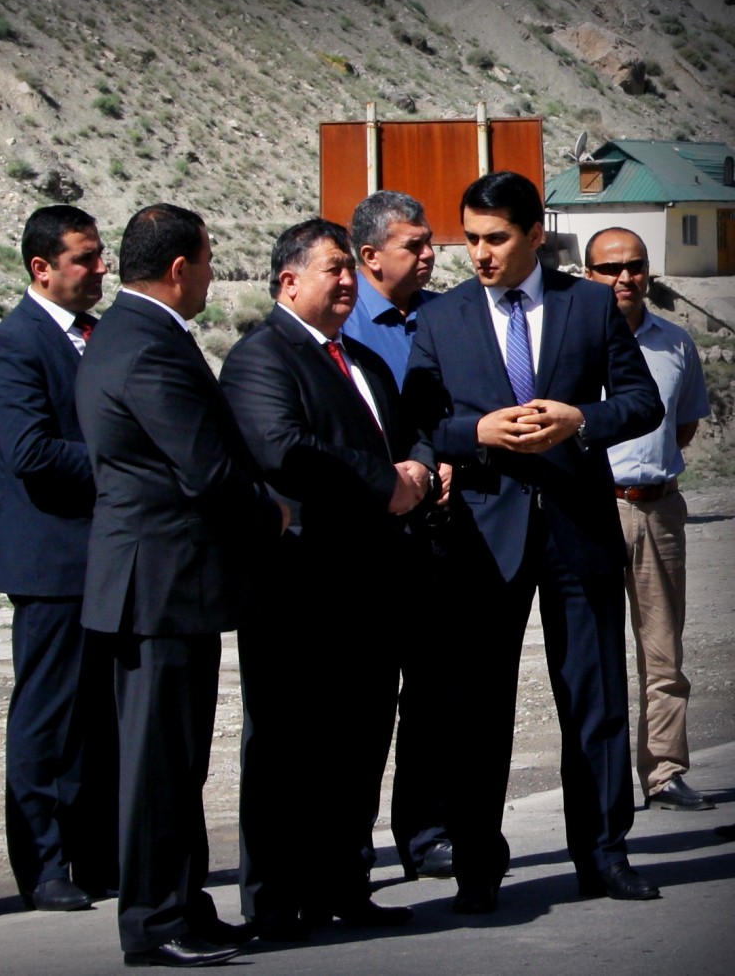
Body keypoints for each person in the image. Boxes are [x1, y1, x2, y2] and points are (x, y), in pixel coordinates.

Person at [403, 171, 665, 913]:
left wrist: (581, 421)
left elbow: (642, 402)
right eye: (471, 239)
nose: (480, 254)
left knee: (594, 698)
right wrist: (476, 434)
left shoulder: (589, 305)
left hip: (577, 528)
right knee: (478, 707)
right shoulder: (443, 317)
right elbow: (419, 423)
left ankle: (604, 855)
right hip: (484, 537)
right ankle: (477, 866)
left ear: (535, 234)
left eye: (496, 238)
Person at [75, 203, 287, 968]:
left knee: (178, 761)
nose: (209, 275)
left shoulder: (133, 333)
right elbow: (205, 468)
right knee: (158, 766)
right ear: (177, 269)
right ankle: (154, 920)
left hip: (167, 584)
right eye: (205, 261)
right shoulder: (147, 346)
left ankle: (184, 905)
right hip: (157, 586)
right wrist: (273, 513)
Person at [219, 218, 433, 939]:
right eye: (333, 269)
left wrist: (421, 469)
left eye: (350, 269)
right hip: (300, 588)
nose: (348, 282)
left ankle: (344, 884)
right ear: (288, 281)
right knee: (288, 746)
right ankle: (275, 901)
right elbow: (284, 449)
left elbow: (406, 434)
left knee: (359, 739)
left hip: (373, 584)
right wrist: (383, 483)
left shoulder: (362, 359)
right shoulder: (261, 358)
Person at [0, 205, 118, 912]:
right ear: (41, 268)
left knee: (100, 719)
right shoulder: (15, 345)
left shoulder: (99, 336)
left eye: (100, 255)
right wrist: (123, 463)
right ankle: (42, 864)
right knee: (49, 718)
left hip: (108, 559)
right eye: (84, 258)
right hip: (53, 565)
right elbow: (31, 452)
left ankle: (96, 855)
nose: (100, 269)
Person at [585, 227, 714, 812]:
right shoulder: (572, 343)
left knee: (663, 651)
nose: (624, 278)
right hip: (591, 508)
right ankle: (599, 781)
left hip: (658, 508)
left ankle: (664, 772)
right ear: (588, 275)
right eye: (610, 268)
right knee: (593, 652)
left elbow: (683, 425)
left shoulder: (675, 343)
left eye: (634, 266)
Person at [346, 189, 453, 881]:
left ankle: (427, 831)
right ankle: (350, 843)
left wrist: (450, 456)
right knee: (364, 699)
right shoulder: (342, 326)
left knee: (435, 690)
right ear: (370, 255)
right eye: (413, 245)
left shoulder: (447, 316)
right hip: (370, 540)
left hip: (442, 533)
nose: (429, 255)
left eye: (429, 241)